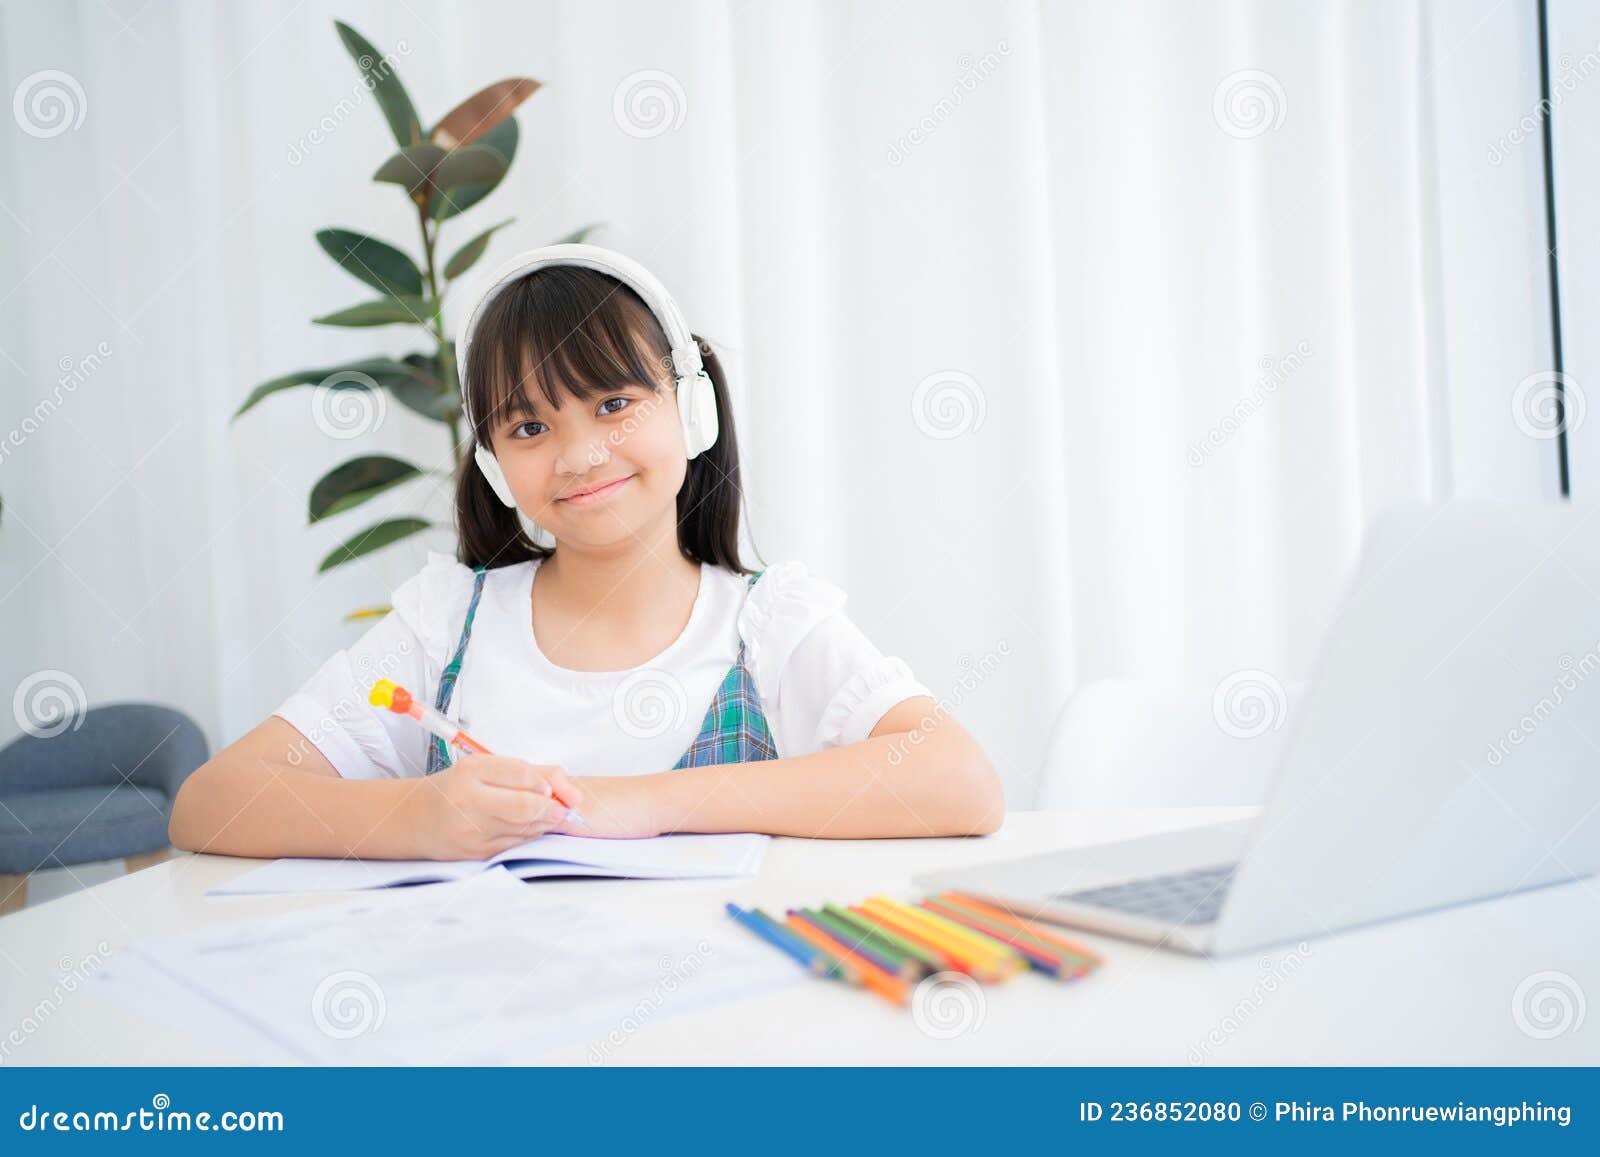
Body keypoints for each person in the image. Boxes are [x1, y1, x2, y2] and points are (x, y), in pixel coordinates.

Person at [170, 245, 1003, 860]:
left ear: (692, 411)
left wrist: (639, 803)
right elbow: (210, 803)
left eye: (613, 403)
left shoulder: (769, 626)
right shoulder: (446, 625)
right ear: (493, 465)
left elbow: (961, 781)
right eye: (530, 426)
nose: (579, 455)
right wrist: (417, 817)